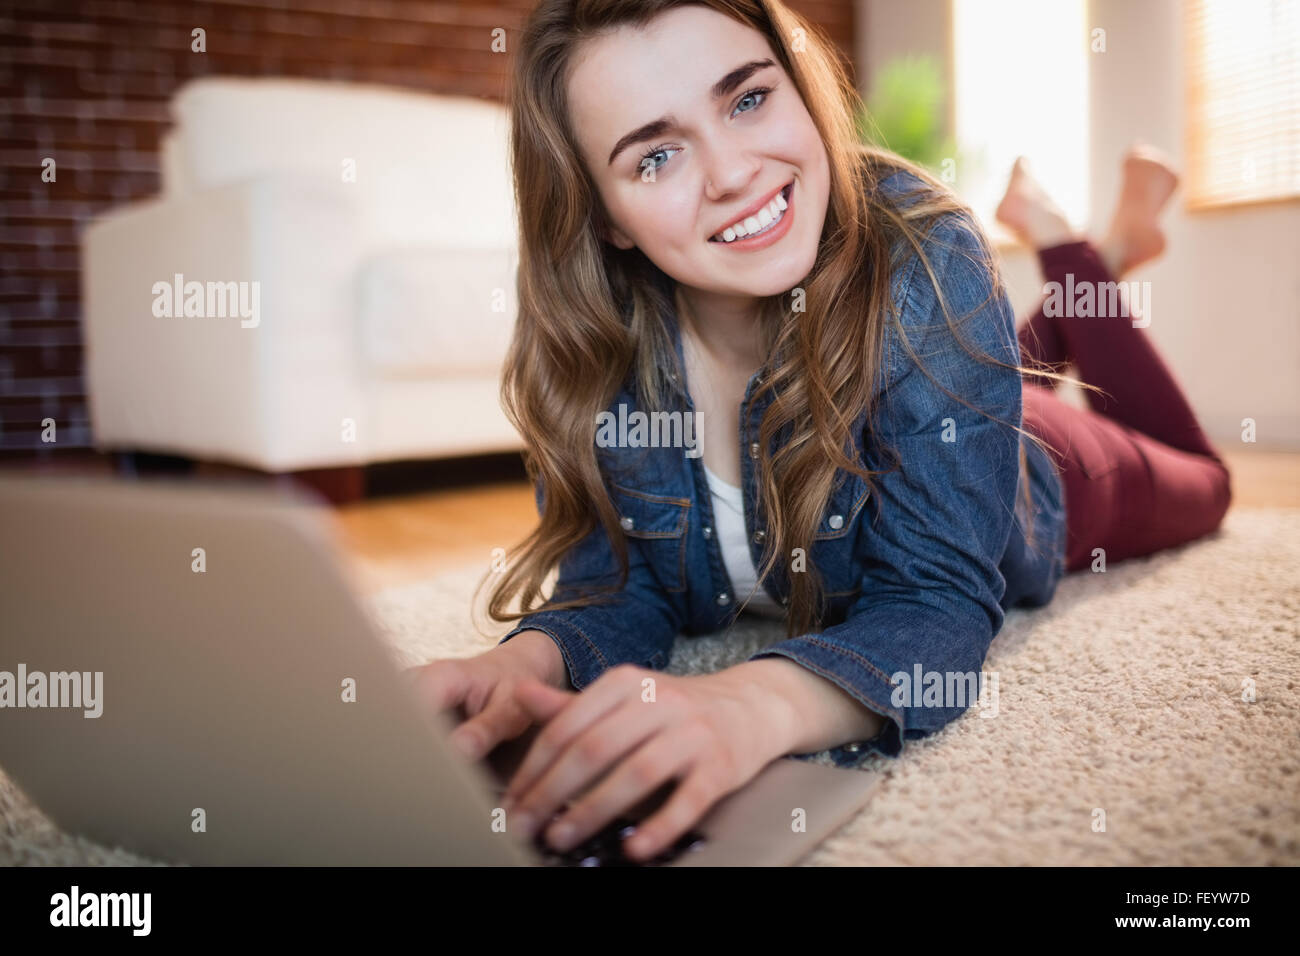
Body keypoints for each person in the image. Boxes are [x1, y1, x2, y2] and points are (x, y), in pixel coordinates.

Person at [406, 0, 1232, 863]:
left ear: (800, 87)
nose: (732, 173)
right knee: (975, 360)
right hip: (940, 374)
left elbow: (938, 606)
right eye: (655, 156)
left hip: (1045, 475)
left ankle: (1076, 246)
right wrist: (523, 666)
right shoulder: (598, 342)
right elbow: (617, 587)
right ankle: (1120, 247)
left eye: (749, 99)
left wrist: (749, 703)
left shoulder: (927, 248)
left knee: (1207, 484)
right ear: (604, 214)